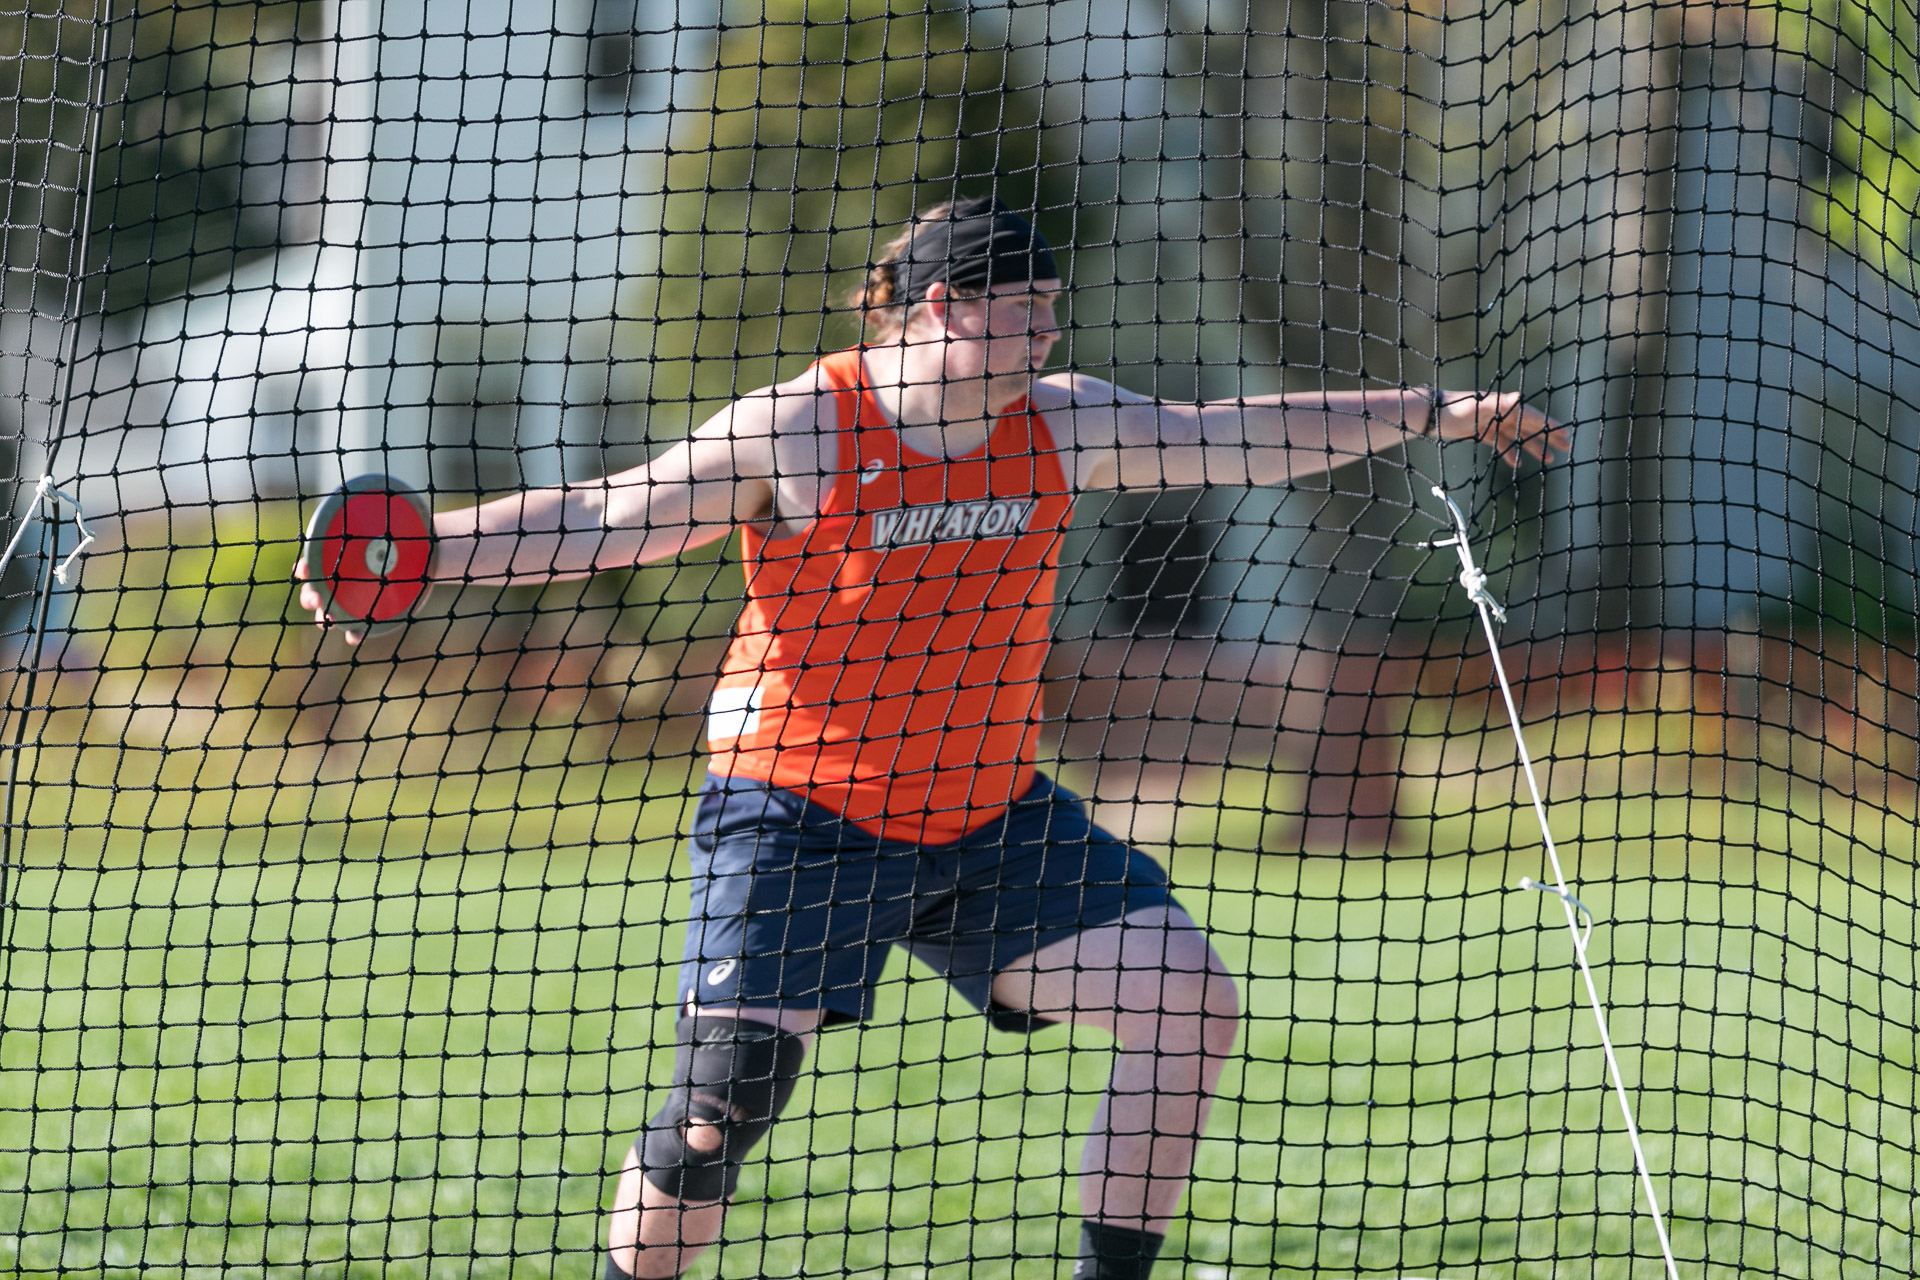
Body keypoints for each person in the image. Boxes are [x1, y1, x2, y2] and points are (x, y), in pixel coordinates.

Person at [298, 195, 1568, 1279]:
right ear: (939, 307)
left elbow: (1233, 436)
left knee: (1189, 1005)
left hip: (987, 816)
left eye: (1050, 309)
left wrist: (1439, 409)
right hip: (796, 815)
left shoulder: (1060, 421)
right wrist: (428, 553)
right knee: (720, 1104)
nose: (1045, 330)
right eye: (1021, 309)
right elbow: (599, 517)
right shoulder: (803, 426)